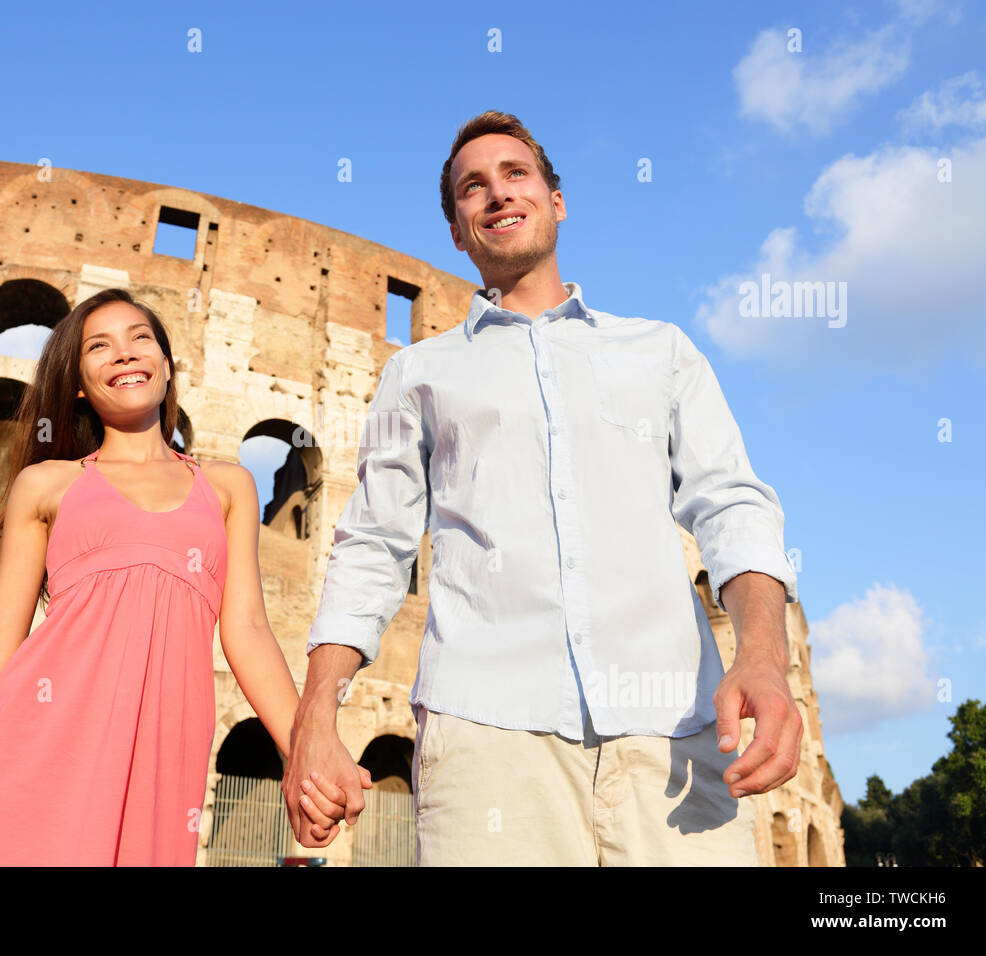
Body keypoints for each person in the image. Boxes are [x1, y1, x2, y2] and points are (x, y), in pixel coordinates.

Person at [284, 111, 803, 865]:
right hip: (488, 738)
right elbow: (372, 545)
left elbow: (732, 505)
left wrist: (763, 654)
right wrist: (316, 713)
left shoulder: (659, 351)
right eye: (472, 188)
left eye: (514, 174)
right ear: (458, 233)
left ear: (556, 201)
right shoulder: (419, 373)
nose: (496, 193)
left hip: (673, 738)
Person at [0, 288, 365, 867]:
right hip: (35, 745)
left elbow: (247, 629)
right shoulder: (46, 484)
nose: (123, 354)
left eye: (139, 338)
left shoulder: (228, 487)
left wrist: (303, 752)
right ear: (77, 381)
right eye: (99, 346)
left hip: (158, 766)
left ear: (167, 367)